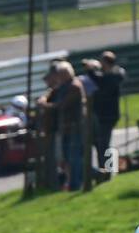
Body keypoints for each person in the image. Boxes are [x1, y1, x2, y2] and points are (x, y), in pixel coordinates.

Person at [37, 61, 86, 191]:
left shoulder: (74, 87)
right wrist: (44, 99)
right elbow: (51, 93)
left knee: (73, 157)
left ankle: (76, 185)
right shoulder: (64, 86)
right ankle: (94, 175)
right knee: (68, 157)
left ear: (65, 74)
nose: (57, 78)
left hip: (75, 126)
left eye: (59, 75)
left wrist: (45, 106)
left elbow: (61, 105)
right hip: (66, 127)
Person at [85, 51, 124, 177]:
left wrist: (91, 70)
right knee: (101, 143)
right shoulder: (108, 75)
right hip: (103, 114)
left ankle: (108, 170)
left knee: (104, 143)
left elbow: (102, 81)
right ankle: (105, 168)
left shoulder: (114, 75)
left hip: (108, 115)